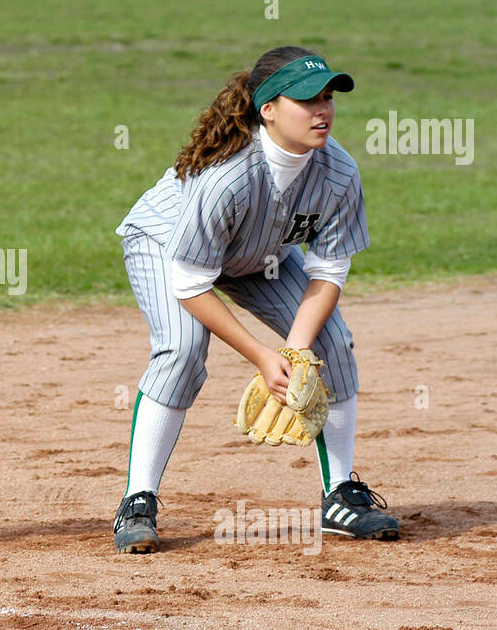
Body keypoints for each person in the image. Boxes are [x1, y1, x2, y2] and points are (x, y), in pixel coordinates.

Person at [112, 45, 399, 553]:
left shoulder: (339, 172)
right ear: (268, 109)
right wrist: (262, 356)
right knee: (181, 349)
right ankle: (137, 502)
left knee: (330, 344)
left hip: (256, 255)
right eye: (307, 100)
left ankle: (340, 499)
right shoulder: (229, 175)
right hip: (166, 244)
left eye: (328, 98)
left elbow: (329, 271)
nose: (323, 110)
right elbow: (190, 282)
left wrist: (294, 349)